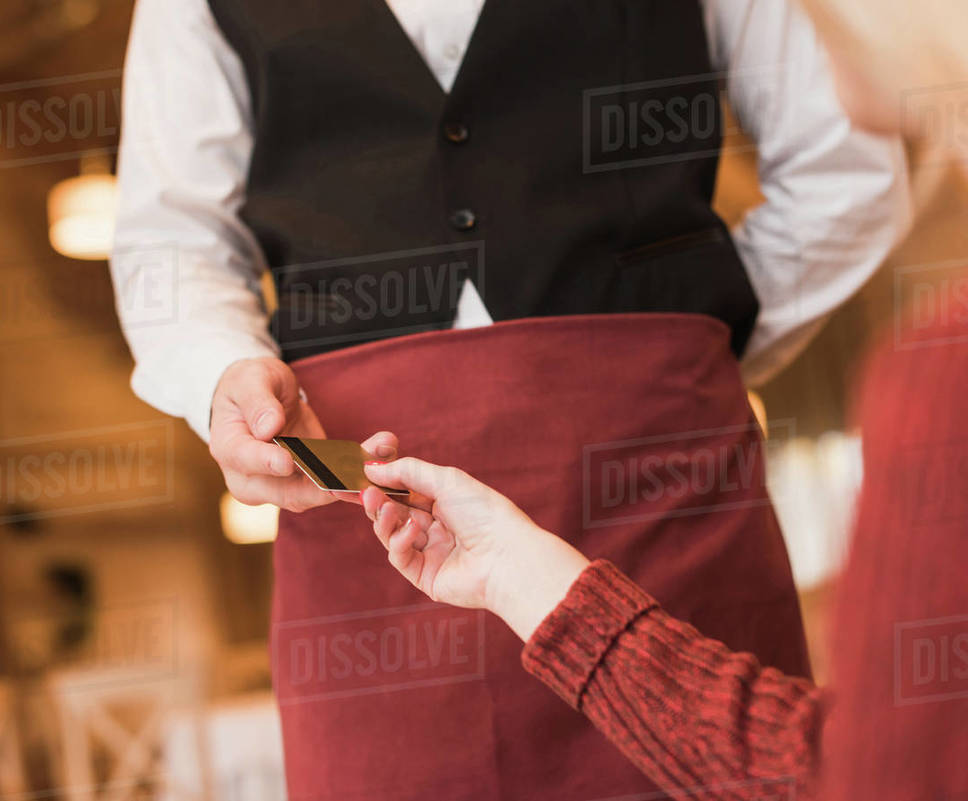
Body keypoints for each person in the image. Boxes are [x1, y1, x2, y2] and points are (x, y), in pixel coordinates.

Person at [109, 0, 911, 797]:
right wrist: (222, 373)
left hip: (668, 506)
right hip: (371, 527)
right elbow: (173, 241)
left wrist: (689, 348)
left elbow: (845, 161)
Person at [356, 11, 968, 794]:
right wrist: (516, 570)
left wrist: (690, 347)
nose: (828, 75)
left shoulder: (939, 386)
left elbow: (868, 779)